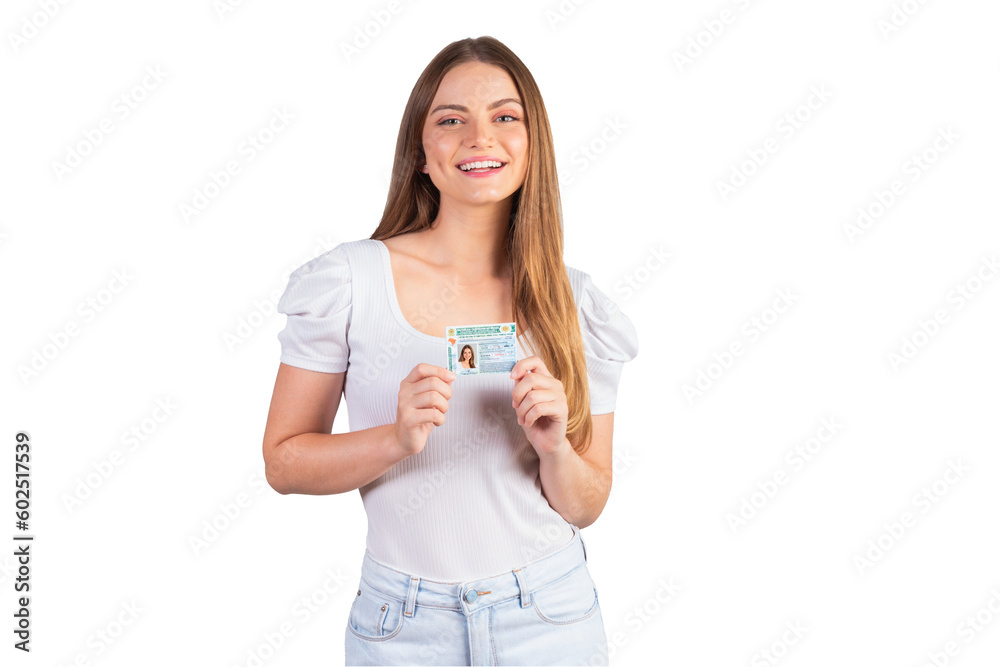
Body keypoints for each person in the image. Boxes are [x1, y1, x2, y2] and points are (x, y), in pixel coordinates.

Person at [262, 35, 639, 666]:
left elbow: (587, 503)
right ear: (420, 153)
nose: (480, 137)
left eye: (505, 116)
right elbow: (284, 463)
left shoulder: (577, 305)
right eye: (450, 120)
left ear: (533, 145)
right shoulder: (349, 283)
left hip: (549, 618)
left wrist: (554, 447)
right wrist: (395, 439)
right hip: (402, 629)